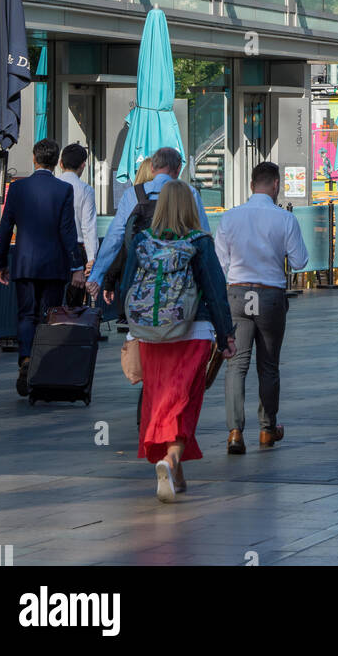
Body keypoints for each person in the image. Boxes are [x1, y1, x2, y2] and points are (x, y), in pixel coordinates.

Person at [120, 179, 235, 501]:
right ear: (189, 206)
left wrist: (130, 326)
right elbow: (215, 292)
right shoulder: (200, 242)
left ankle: (173, 470)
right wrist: (226, 336)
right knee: (184, 400)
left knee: (159, 399)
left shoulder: (142, 240)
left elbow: (127, 286)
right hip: (192, 331)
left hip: (151, 334)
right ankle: (170, 459)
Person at [214, 161, 308, 455]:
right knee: (268, 365)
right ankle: (267, 430)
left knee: (236, 365)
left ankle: (234, 431)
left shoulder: (230, 218)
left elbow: (220, 265)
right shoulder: (285, 219)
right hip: (269, 295)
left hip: (238, 294)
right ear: (276, 185)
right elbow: (300, 261)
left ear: (251, 183)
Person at [0, 138, 85, 396]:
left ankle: (25, 358)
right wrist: (76, 265)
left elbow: (5, 228)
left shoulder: (18, 188)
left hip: (24, 263)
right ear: (57, 162)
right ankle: (43, 367)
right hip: (54, 266)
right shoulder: (62, 190)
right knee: (49, 317)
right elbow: (68, 231)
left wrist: (2, 261)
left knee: (26, 315)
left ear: (34, 158)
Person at [87, 146, 209, 297]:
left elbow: (114, 237)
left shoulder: (132, 194)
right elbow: (202, 237)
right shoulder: (190, 194)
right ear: (178, 169)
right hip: (179, 279)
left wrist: (97, 275)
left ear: (152, 168)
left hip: (139, 278)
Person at [58, 142, 99, 279]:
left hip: (53, 249)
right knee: (76, 298)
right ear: (83, 165)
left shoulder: (53, 186)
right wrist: (92, 257)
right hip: (78, 250)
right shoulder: (86, 190)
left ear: (61, 164)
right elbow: (88, 227)